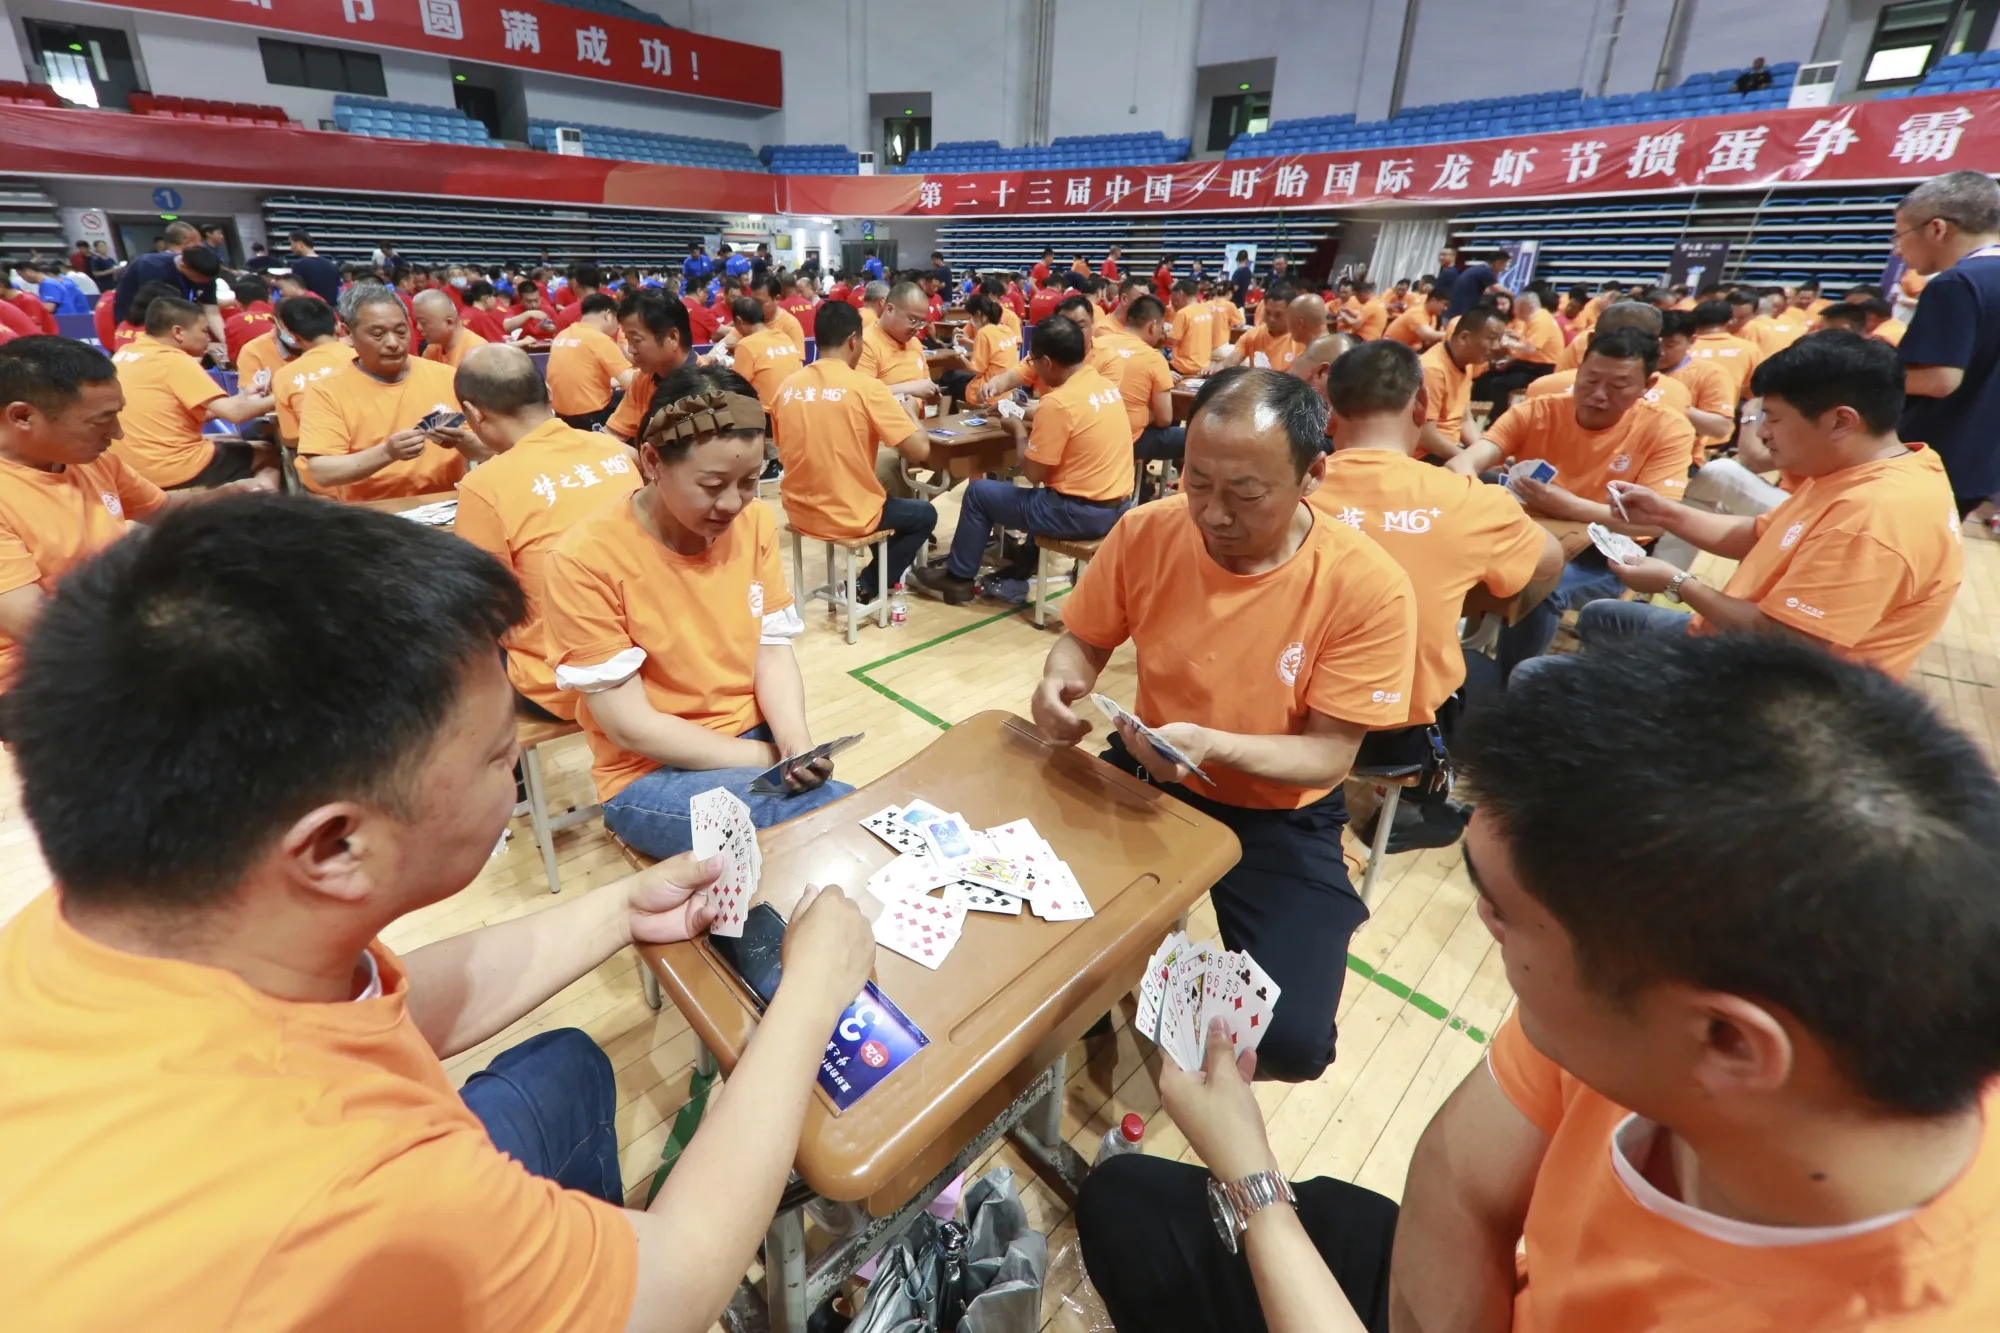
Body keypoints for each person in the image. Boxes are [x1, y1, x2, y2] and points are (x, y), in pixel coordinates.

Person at [0, 486, 881, 1332]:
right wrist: (811, 993)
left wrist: (621, 908)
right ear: (334, 845)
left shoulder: (98, 927)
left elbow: (379, 1011)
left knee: (568, 1068)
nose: (517, 772)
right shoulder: (347, 1194)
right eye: (500, 757)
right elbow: (676, 1283)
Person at [1080, 630, 2000, 1333]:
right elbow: (1458, 1178)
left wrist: (1250, 1177)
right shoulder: (1664, 1010)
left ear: (1727, 1040)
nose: (1483, 924)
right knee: (1130, 1206)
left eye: (1504, 912)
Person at [1034, 367, 1415, 1082]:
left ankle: (1171, 1003)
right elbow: (1084, 639)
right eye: (1197, 481)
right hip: (1150, 771)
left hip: (1280, 809)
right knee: (1032, 920)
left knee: (1292, 1042)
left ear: (1313, 475)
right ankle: (1103, 991)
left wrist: (1211, 746)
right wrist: (1060, 679)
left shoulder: (1367, 586)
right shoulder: (1147, 531)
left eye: (1245, 493)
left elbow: (1328, 755)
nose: (1212, 514)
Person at [545, 363, 853, 859]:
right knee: (825, 819)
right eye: (711, 485)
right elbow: (629, 726)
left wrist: (796, 743)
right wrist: (771, 757)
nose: (732, 503)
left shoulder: (754, 523)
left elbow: (771, 650)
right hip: (648, 773)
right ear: (651, 460)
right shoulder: (584, 559)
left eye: (750, 481)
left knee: (829, 817)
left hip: (749, 737)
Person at [1547, 332, 1962, 682]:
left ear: (1841, 421)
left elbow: (1785, 642)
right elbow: (1760, 535)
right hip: (1739, 643)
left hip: (1776, 691)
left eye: (1774, 418)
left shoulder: (1874, 517)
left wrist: (1677, 583)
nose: (1762, 433)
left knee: (1542, 676)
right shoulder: (1863, 469)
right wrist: (1665, 513)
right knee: (1604, 617)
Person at [1317, 340, 1560, 760]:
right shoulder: (1472, 499)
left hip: (1285, 717)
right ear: (1421, 406)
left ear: (1329, 412)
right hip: (1397, 730)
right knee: (1485, 672)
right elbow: (1550, 558)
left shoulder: (1287, 490)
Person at [0, 336, 269, 701]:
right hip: (32, 681)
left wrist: (227, 497)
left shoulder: (91, 461)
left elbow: (161, 507)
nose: (117, 433)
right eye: (101, 420)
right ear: (22, 416)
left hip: (110, 635)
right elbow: (36, 624)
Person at [1459, 327, 1697, 675]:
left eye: (1618, 386)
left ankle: (1513, 683)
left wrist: (1567, 506)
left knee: (1542, 588)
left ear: (1648, 385)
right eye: (1590, 380)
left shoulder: (1668, 429)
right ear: (1577, 371)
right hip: (1524, 534)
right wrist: (1465, 479)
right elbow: (1467, 461)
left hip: (1606, 556)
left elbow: (1655, 522)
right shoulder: (1538, 410)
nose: (1598, 395)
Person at [453, 343, 643, 722]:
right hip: (648, 665)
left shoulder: (483, 487)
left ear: (474, 413)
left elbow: (480, 607)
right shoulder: (617, 452)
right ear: (548, 393)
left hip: (563, 685)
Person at [910, 315, 1134, 606]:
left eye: (1034, 361)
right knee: (1006, 492)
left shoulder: (1058, 402)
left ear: (1047, 362)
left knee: (979, 493)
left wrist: (1017, 431)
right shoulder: (1104, 386)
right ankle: (1014, 557)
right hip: (1118, 507)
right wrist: (1020, 414)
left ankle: (958, 579)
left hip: (1078, 514)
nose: (1033, 368)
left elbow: (1033, 473)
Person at [771, 300, 935, 603]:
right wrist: (910, 411)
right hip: (848, 514)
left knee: (881, 493)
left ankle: (880, 575)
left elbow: (783, 445)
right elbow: (920, 450)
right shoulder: (867, 387)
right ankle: (869, 584)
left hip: (799, 510)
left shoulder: (786, 388)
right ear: (853, 341)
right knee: (924, 514)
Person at [297, 286, 488, 502]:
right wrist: (388, 453)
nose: (393, 343)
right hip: (374, 513)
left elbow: (492, 449)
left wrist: (463, 441)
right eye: (378, 334)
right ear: (348, 334)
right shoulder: (327, 391)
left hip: (446, 505)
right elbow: (322, 472)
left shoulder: (448, 377)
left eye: (401, 332)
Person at [1893, 169, 2000, 519]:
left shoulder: (1956, 282)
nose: (1897, 250)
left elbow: (1940, 379)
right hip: (1984, 463)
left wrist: (1860, 375)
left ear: (1937, 229)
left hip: (1933, 456)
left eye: (1899, 235)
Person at [108, 296, 277, 491]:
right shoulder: (174, 360)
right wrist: (284, 392)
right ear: (178, 332)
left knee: (230, 440)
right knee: (269, 452)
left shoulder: (124, 353)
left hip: (127, 466)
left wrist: (241, 398)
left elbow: (172, 412)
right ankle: (257, 495)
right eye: (204, 331)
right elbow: (235, 414)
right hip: (169, 468)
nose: (209, 338)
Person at [1417, 304, 1505, 462]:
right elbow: (1425, 435)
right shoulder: (1432, 369)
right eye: (1492, 339)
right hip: (1425, 456)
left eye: (1499, 340)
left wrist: (1484, 456)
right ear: (1464, 337)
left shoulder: (1467, 364)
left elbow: (1465, 419)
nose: (1497, 347)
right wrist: (1471, 460)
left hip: (1450, 450)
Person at [1098, 294, 1179, 463]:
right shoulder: (1154, 358)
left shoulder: (1097, 344)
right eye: (1161, 327)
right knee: (1190, 435)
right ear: (1153, 326)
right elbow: (1164, 419)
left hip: (1093, 433)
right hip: (1129, 439)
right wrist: (1147, 415)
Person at [607, 288, 694, 445]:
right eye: (628, 340)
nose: (631, 350)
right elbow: (612, 436)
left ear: (672, 337)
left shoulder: (710, 388)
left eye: (636, 340)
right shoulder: (643, 380)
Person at [112, 231, 224, 346]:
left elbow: (212, 311)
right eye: (200, 278)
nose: (205, 282)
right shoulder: (151, 267)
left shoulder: (206, 272)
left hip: (172, 324)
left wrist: (225, 341)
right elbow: (157, 316)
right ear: (183, 265)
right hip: (139, 324)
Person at [269, 294, 352, 449]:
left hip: (321, 458)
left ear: (295, 337)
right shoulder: (364, 358)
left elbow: (291, 437)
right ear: (338, 327)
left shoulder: (284, 376)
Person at [546, 292, 636, 431]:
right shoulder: (599, 340)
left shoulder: (562, 335)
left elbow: (582, 378)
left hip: (561, 416)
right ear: (608, 315)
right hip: (592, 416)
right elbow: (632, 383)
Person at [857, 281, 939, 405]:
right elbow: (862, 395)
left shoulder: (915, 343)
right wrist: (911, 389)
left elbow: (925, 385)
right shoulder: (865, 343)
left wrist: (931, 394)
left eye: (921, 322)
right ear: (890, 309)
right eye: (912, 320)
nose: (917, 329)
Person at [1215, 286, 1296, 373]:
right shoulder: (1253, 335)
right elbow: (1227, 363)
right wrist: (1215, 370)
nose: (1271, 319)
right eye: (1267, 312)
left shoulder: (1300, 341)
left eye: (1278, 315)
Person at [959, 293, 1020, 405]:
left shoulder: (983, 332)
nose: (971, 321)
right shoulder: (1006, 329)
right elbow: (993, 350)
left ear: (978, 314)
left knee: (952, 382)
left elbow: (977, 371)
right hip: (1007, 389)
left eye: (971, 317)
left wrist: (960, 357)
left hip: (988, 392)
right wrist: (969, 343)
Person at [412, 288, 487, 371]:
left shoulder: (476, 354)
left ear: (449, 322)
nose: (418, 327)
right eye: (417, 322)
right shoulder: (433, 347)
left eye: (423, 323)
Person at [217, 272, 275, 365]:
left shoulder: (233, 320)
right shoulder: (282, 312)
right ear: (269, 297)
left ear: (238, 303)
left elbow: (235, 360)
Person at [1168, 281, 1217, 377]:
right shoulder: (1205, 310)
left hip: (1184, 367)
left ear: (1180, 293)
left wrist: (1160, 334)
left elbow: (1172, 341)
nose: (1174, 304)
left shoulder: (1183, 313)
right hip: (1203, 366)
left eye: (1174, 300)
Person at [283, 231, 340, 306]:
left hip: (310, 309)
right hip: (331, 310)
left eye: (291, 243)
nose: (291, 248)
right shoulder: (331, 265)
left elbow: (297, 292)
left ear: (300, 244)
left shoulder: (299, 265)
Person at [1384, 285, 1447, 350]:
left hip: (1403, 348)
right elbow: (1429, 335)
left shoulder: (1432, 317)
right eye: (1445, 304)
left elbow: (1428, 342)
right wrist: (1449, 333)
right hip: (1389, 349)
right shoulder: (1417, 312)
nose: (1446, 308)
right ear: (1433, 300)